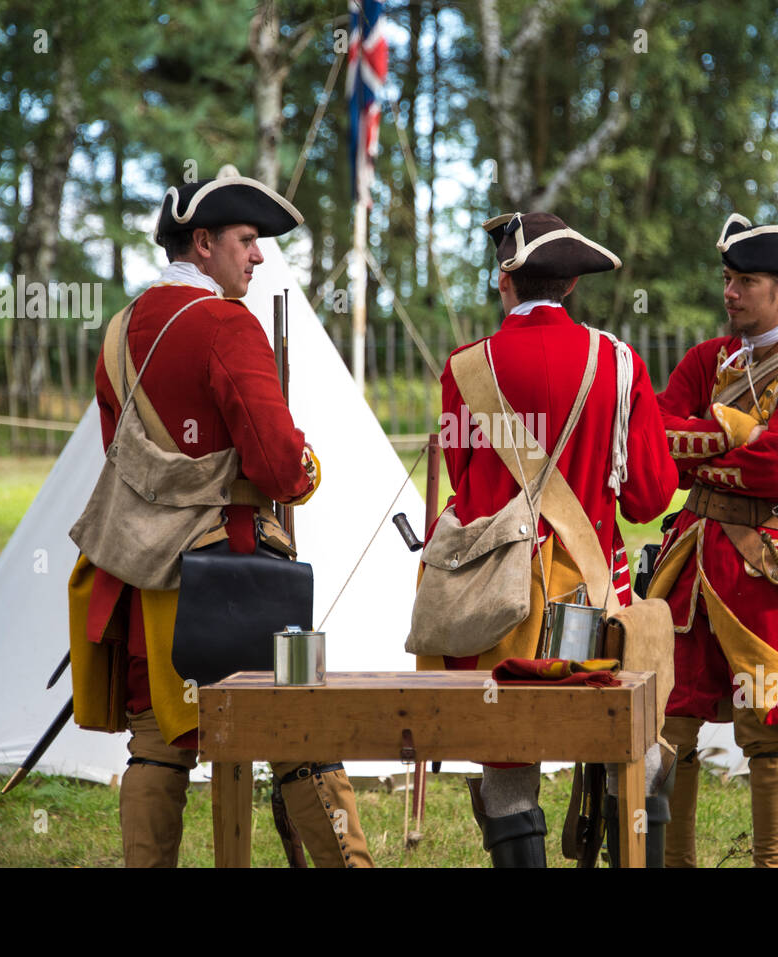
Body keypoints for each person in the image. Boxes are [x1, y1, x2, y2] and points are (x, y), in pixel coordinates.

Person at [67, 168, 374, 868]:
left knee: (155, 745)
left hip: (144, 582)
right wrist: (306, 469)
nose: (258, 255)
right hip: (230, 575)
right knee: (299, 732)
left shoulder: (119, 333)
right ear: (201, 243)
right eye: (246, 239)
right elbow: (275, 463)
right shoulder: (227, 325)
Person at [413, 211, 679, 866]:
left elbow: (472, 499)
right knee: (633, 749)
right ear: (572, 286)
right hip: (596, 599)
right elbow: (648, 494)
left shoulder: (466, 367)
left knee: (507, 763)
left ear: (506, 277)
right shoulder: (619, 363)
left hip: (502, 604)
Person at [647, 213, 778, 868]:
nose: (730, 291)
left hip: (768, 568)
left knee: (773, 732)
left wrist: (705, 442)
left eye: (747, 280)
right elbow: (654, 436)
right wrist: (734, 435)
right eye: (728, 277)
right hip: (690, 566)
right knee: (667, 724)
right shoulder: (708, 360)